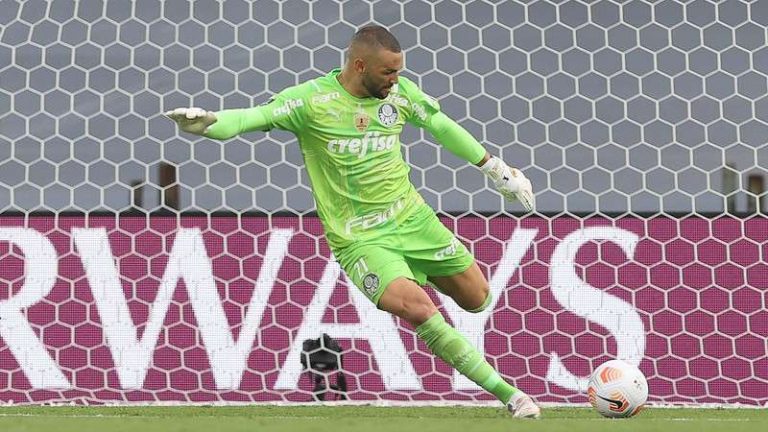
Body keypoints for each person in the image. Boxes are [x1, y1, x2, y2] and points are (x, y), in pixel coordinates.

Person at [166, 24, 539, 418]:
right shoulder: (311, 101)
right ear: (359, 65)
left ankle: (415, 270)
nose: (395, 81)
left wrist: (496, 168)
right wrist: (210, 124)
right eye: (387, 73)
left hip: (413, 221)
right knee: (420, 310)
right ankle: (511, 395)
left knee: (477, 298)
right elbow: (250, 118)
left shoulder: (400, 95)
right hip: (360, 239)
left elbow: (441, 126)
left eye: (398, 72)